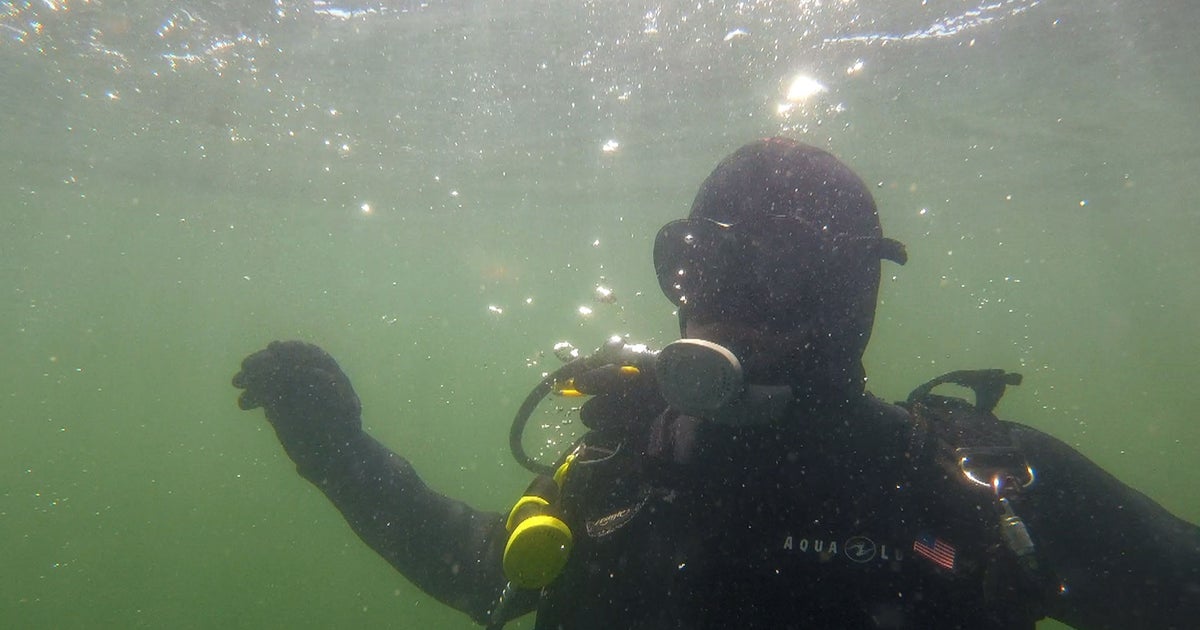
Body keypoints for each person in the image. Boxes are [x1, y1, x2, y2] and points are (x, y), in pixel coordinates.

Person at [233, 138, 1200, 629]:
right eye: (703, 269)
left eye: (786, 279)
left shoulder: (983, 490)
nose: (729, 311)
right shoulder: (620, 473)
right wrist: (340, 456)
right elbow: (480, 565)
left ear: (848, 298)